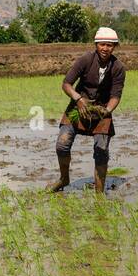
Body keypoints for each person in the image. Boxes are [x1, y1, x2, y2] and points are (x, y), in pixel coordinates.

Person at [49, 27, 125, 194]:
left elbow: (116, 95)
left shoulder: (118, 67)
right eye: (102, 44)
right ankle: (64, 178)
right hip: (77, 107)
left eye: (110, 45)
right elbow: (66, 84)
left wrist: (108, 110)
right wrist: (78, 99)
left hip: (102, 110)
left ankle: (99, 192)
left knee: (101, 150)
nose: (105, 48)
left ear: (115, 47)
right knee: (62, 145)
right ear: (96, 44)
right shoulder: (85, 60)